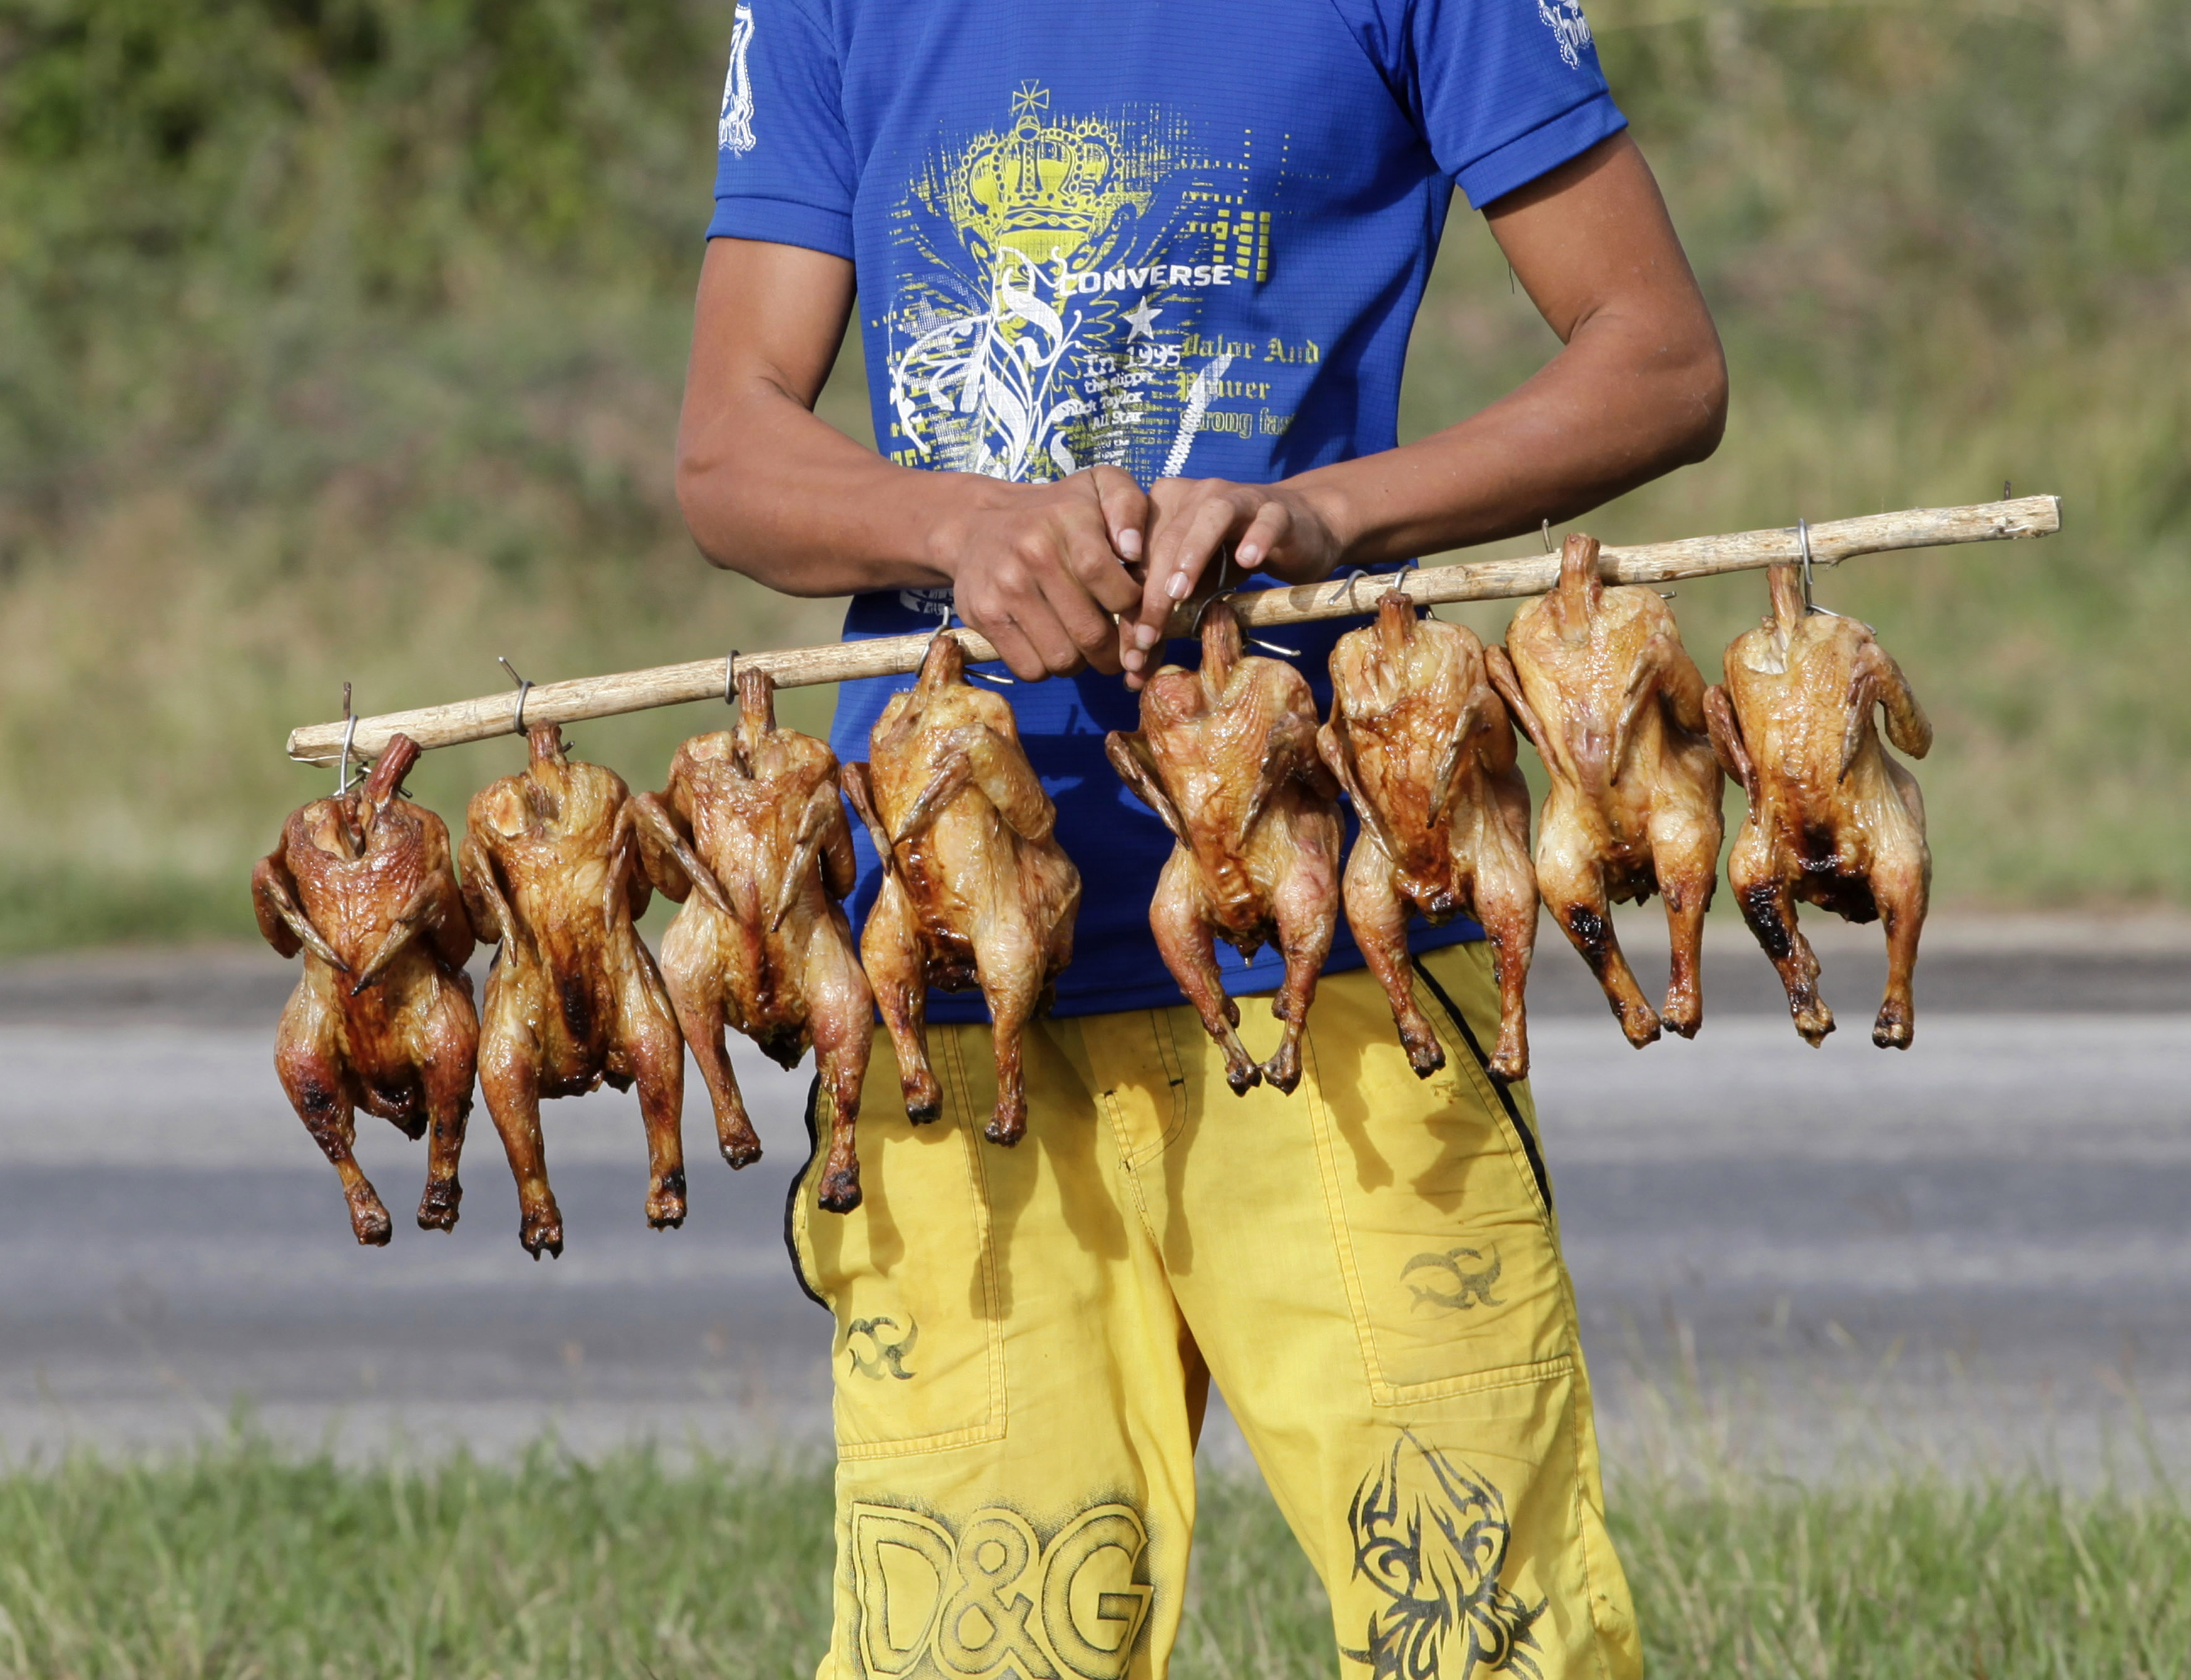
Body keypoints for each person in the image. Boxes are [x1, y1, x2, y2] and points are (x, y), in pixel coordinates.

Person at [678, 1, 1725, 1674]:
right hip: (951, 981)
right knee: (972, 1642)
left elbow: (1658, 359)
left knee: (1484, 1632)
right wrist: (960, 523)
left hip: (1335, 944)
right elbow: (730, 448)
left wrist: (1323, 514)